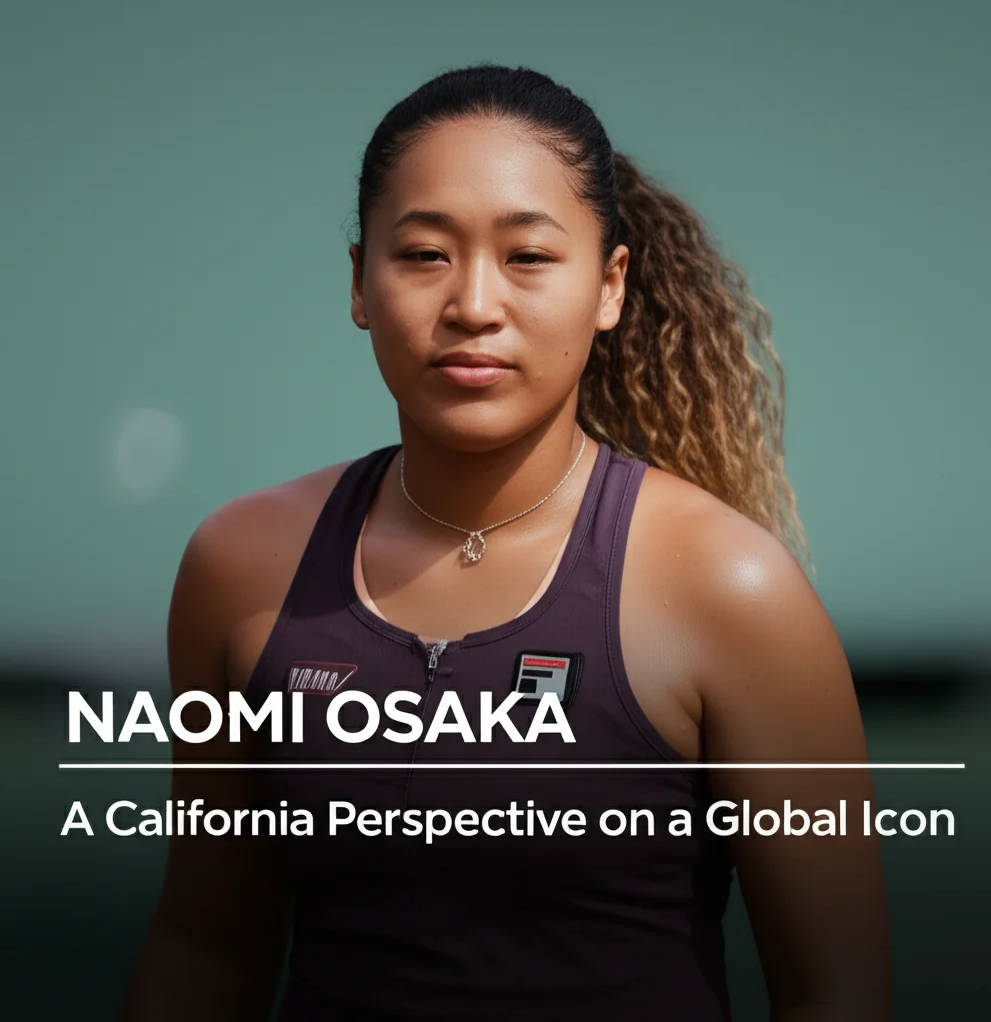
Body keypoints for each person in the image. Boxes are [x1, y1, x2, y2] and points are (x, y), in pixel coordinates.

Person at [121, 65, 890, 1021]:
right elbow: (205, 950)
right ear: (359, 283)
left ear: (609, 287)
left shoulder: (730, 588)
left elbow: (838, 994)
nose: (473, 303)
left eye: (528, 257)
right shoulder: (241, 567)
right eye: (424, 255)